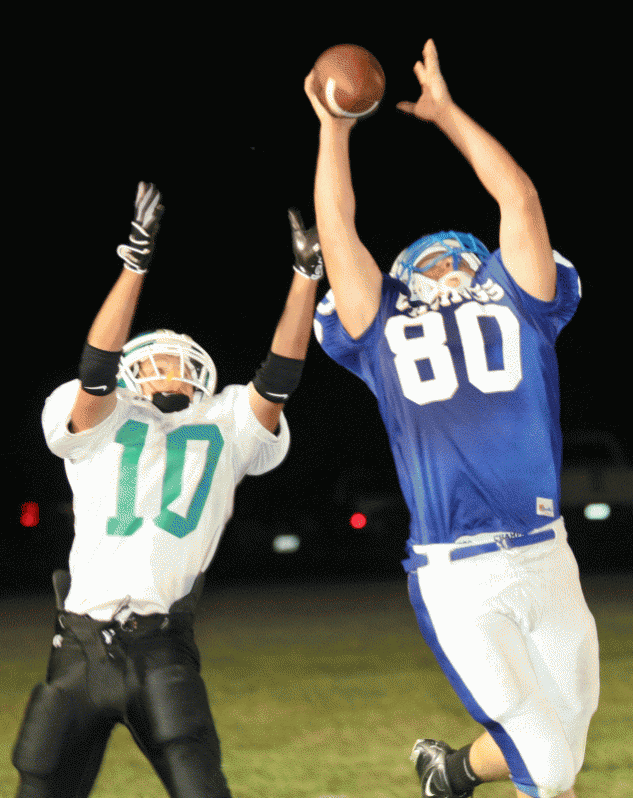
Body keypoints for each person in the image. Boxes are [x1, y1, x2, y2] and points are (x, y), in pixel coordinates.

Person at [305, 39, 599, 798]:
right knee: (547, 753)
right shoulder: (381, 325)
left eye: (452, 252)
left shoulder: (519, 301)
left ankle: (454, 773)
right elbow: (337, 229)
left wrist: (447, 115)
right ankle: (464, 773)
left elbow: (519, 202)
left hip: (546, 551)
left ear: (481, 263)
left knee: (564, 733)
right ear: (399, 279)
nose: (439, 261)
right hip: (458, 568)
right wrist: (333, 131)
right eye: (421, 257)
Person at [12, 184, 323, 798]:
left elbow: (278, 378)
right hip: (78, 645)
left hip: (161, 645)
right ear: (132, 374)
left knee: (203, 789)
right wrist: (134, 264)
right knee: (41, 789)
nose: (172, 370)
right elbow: (96, 368)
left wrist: (305, 276)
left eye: (181, 362)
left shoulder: (225, 423)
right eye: (156, 362)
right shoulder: (102, 418)